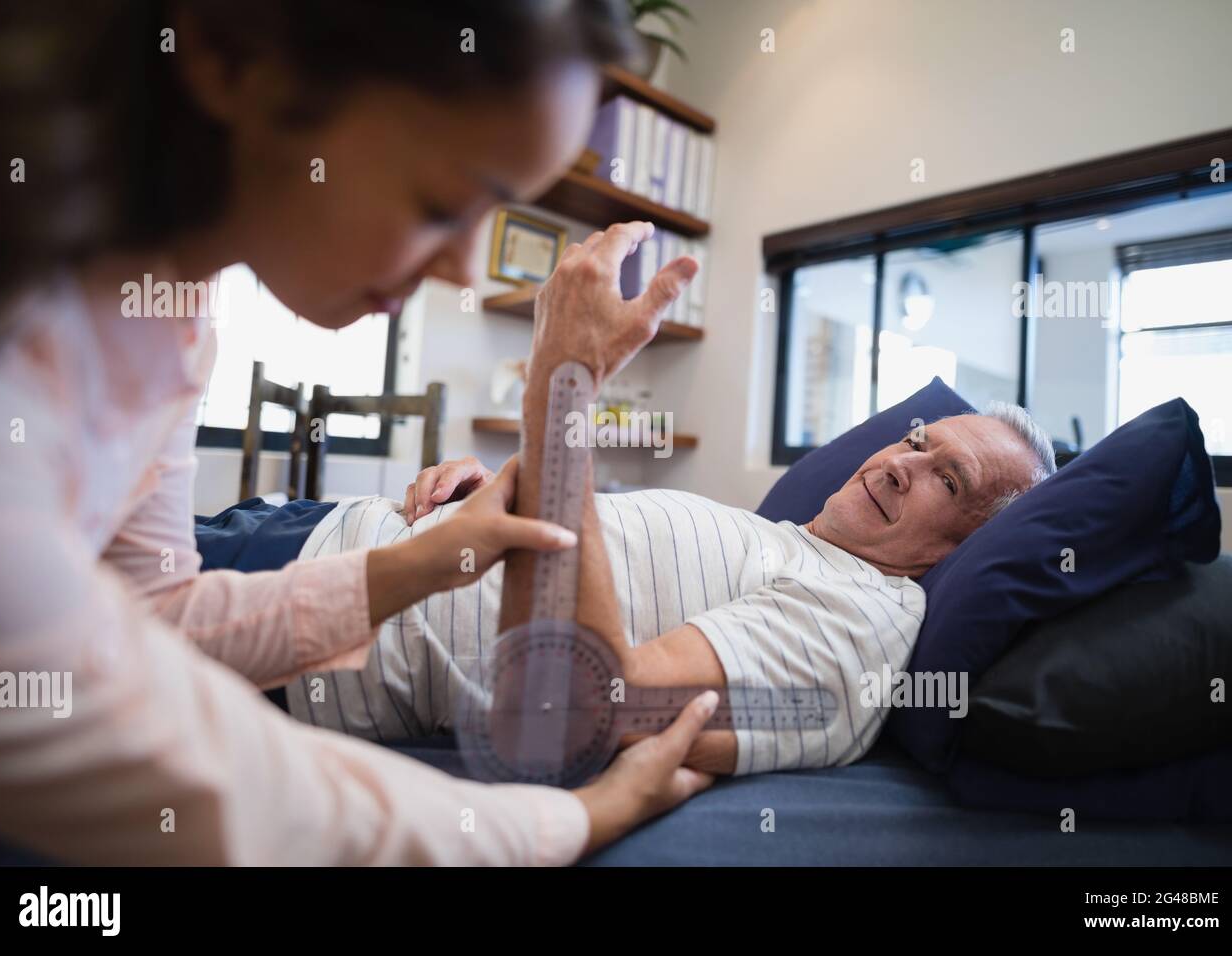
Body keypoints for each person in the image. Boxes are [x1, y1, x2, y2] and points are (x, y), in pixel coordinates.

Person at [0, 1, 717, 865]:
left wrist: (428, 561)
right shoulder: (3, 365)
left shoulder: (172, 307)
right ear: (227, 55)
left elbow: (154, 611)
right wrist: (582, 818)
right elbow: (237, 781)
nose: (463, 270)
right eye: (444, 203)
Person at [279, 217, 1056, 775]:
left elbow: (590, 709)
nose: (900, 464)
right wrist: (494, 499)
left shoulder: (861, 622)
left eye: (947, 480)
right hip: (336, 531)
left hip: (316, 622)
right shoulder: (788, 541)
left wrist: (563, 397)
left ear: (967, 545)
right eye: (918, 442)